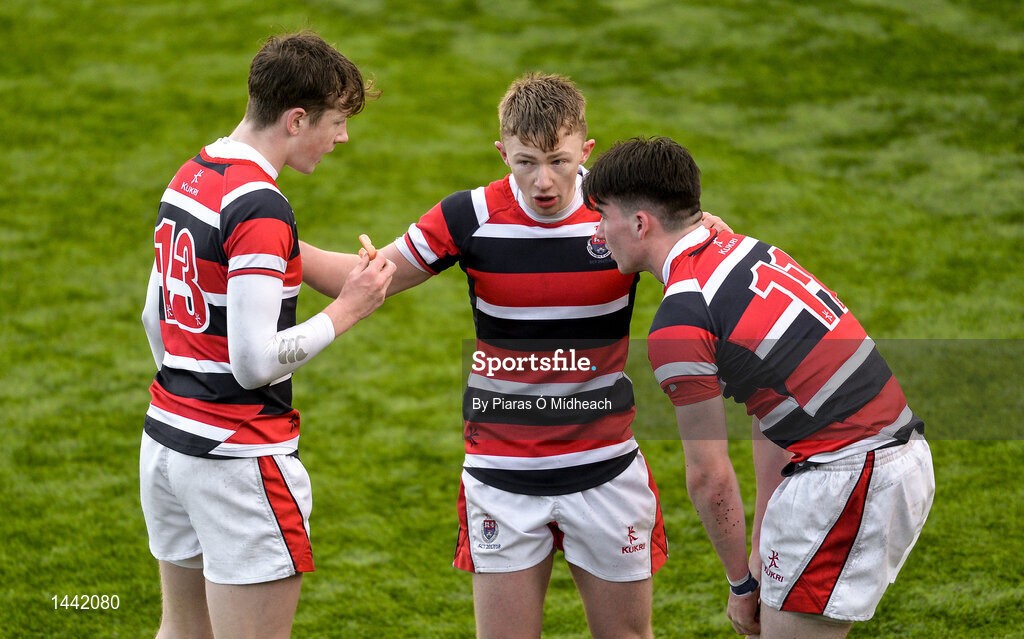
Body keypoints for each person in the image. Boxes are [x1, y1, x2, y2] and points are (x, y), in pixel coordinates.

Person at [301, 74, 726, 638]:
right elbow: (366, 280)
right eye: (526, 162)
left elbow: (715, 271)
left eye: (559, 161)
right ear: (503, 153)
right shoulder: (467, 216)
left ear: (586, 151)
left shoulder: (623, 214)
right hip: (502, 477)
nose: (543, 181)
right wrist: (277, 242)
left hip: (606, 470)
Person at [582, 136, 935, 638]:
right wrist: (759, 550)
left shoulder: (681, 321)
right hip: (877, 460)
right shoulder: (748, 249)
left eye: (603, 216)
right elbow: (772, 409)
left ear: (640, 224)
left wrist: (741, 584)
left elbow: (708, 477)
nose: (599, 232)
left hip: (847, 474)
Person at [139, 32, 395, 639]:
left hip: (167, 446)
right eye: (337, 123)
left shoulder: (193, 173)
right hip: (239, 459)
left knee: (181, 631)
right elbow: (254, 364)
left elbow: (154, 315)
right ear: (296, 119)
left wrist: (190, 394)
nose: (343, 138)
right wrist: (348, 310)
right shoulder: (260, 206)